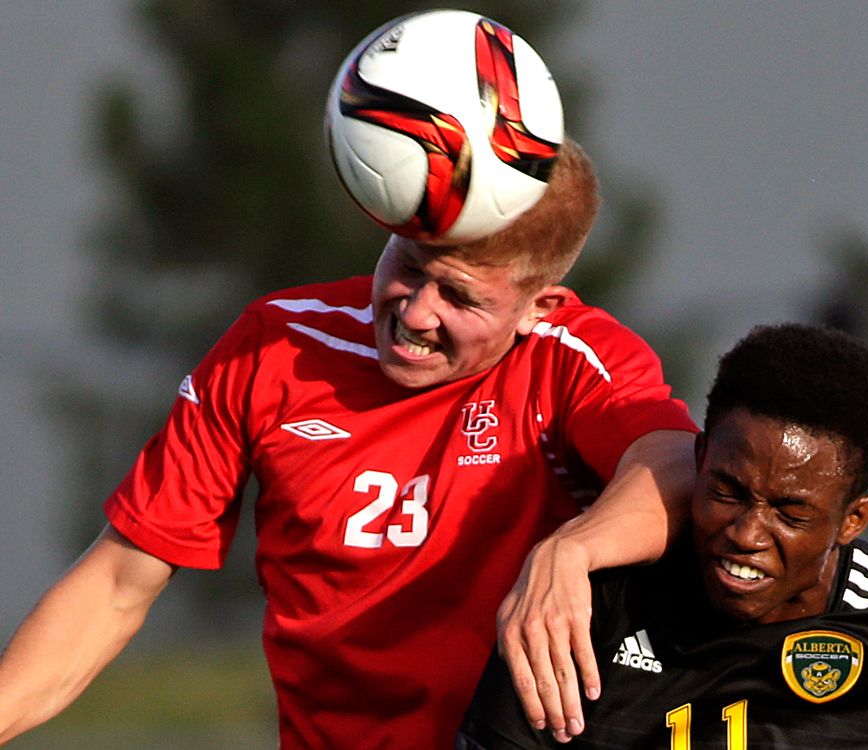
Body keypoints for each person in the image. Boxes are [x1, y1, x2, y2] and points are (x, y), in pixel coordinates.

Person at [0, 138, 698, 749]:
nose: (416, 312)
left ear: (538, 306)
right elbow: (120, 584)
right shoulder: (273, 347)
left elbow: (673, 464)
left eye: (459, 298)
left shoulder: (569, 358)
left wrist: (572, 550)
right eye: (410, 264)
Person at [459, 322, 868, 749]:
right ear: (699, 461)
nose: (745, 534)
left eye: (790, 513)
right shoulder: (591, 605)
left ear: (854, 520)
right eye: (728, 491)